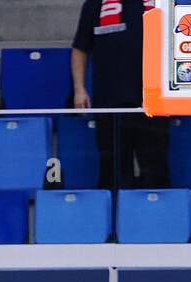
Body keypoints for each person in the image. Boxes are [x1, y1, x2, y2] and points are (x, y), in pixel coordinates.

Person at [71, 0, 170, 190]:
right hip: (110, 104)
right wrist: (79, 89)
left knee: (155, 172)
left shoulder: (161, 3)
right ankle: (115, 216)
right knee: (113, 174)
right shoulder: (95, 4)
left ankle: (156, 217)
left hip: (153, 103)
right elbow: (80, 48)